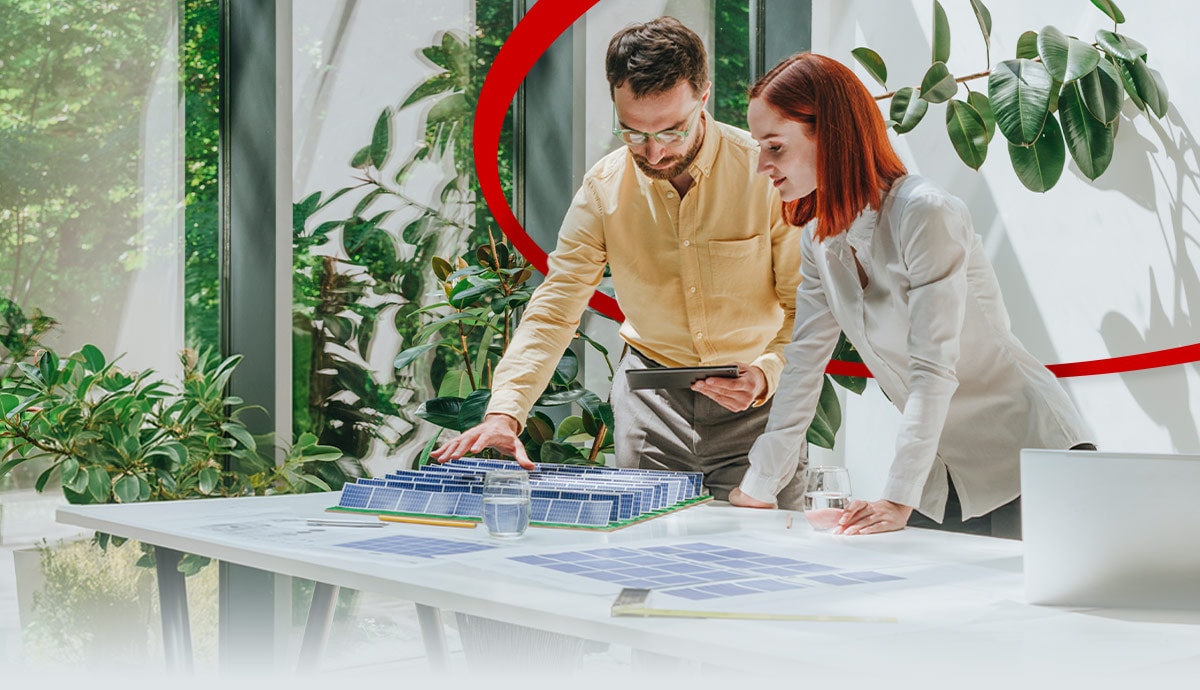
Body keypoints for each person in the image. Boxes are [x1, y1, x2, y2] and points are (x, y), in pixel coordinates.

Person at [431, 17, 806, 506]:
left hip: (760, 409)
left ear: (704, 96)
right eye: (633, 132)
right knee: (646, 562)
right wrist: (505, 412)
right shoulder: (604, 188)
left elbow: (806, 310)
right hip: (652, 412)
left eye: (673, 130)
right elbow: (555, 307)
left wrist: (766, 372)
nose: (653, 150)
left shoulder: (766, 176)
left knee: (768, 565)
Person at [723, 52, 1094, 538]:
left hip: (1027, 461)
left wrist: (897, 497)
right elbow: (803, 367)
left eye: (774, 146)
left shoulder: (925, 213)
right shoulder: (817, 239)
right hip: (941, 476)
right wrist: (759, 486)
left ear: (830, 135)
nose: (761, 166)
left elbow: (933, 368)